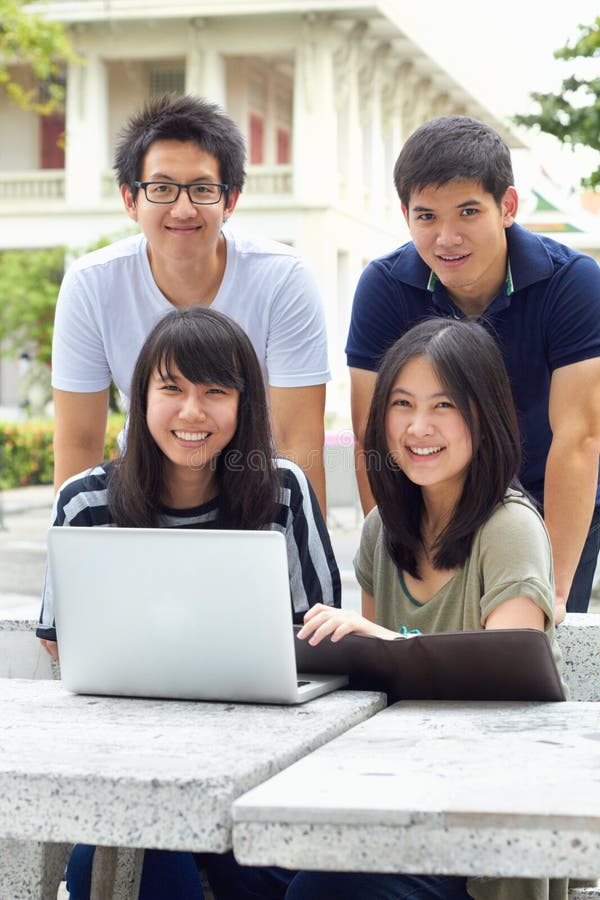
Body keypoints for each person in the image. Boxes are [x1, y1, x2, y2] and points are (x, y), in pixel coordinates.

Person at [198, 317, 568, 900]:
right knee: (211, 847)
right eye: (402, 404)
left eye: (444, 405)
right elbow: (376, 689)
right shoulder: (381, 530)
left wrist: (375, 638)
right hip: (385, 808)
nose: (419, 427)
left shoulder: (511, 527)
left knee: (317, 893)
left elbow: (511, 686)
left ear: (486, 415)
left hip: (475, 846)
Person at [37, 306, 341, 900]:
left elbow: (321, 637)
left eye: (215, 391)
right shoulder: (86, 504)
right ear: (141, 399)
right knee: (136, 845)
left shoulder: (283, 493)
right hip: (126, 767)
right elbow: (58, 642)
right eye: (171, 389)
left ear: (244, 405)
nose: (192, 412)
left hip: (259, 769)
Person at [346, 115, 600, 617]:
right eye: (426, 217)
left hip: (546, 496)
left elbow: (580, 437)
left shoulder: (574, 284)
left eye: (467, 212)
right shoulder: (382, 287)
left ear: (506, 206)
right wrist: (394, 553)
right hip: (431, 502)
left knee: (526, 663)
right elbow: (370, 434)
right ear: (405, 214)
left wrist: (555, 589)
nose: (446, 238)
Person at [51, 93, 330, 511]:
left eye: (202, 189)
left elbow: (299, 442)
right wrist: (71, 555)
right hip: (144, 493)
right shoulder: (91, 284)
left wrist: (302, 552)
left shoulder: (282, 279)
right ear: (130, 200)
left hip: (254, 493)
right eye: (161, 188)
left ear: (230, 201)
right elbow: (78, 442)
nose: (183, 209)